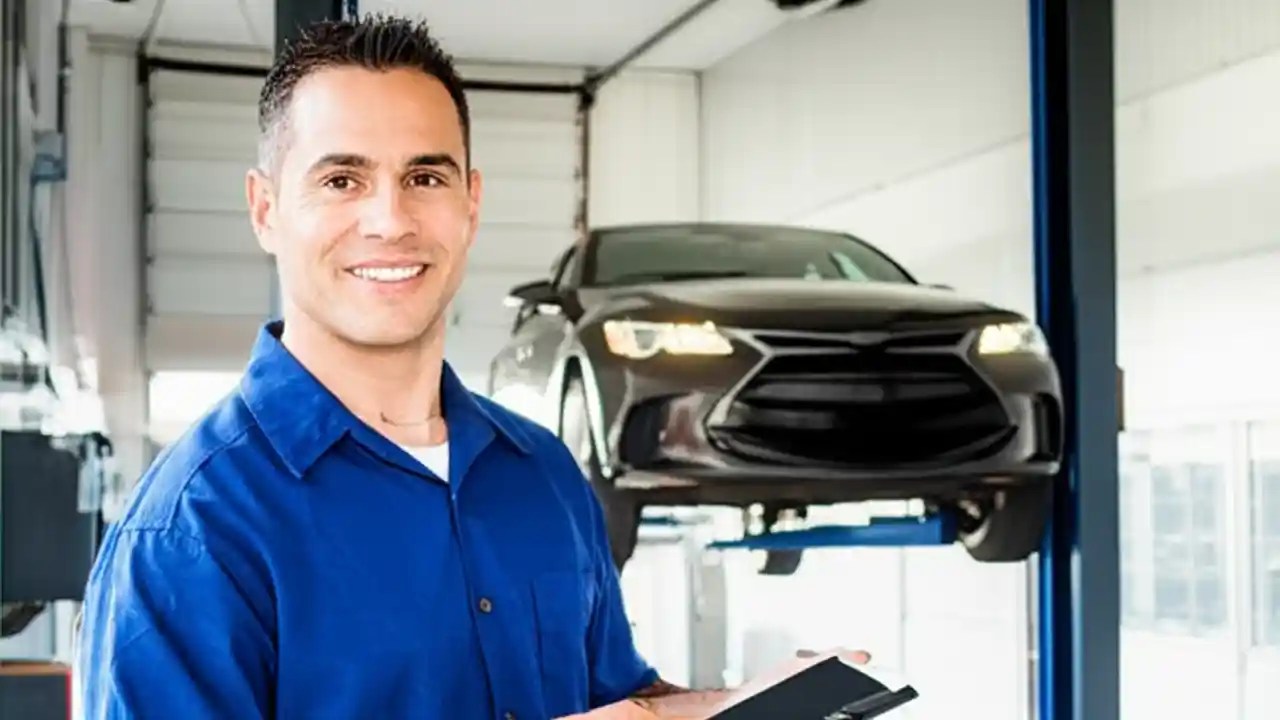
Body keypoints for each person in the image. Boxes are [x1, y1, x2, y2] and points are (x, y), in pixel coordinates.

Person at [75, 14, 865, 720]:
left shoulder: (543, 473)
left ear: (471, 204)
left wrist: (733, 707)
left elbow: (615, 698)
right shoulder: (191, 531)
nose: (390, 220)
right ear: (265, 209)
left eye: (424, 178)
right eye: (342, 180)